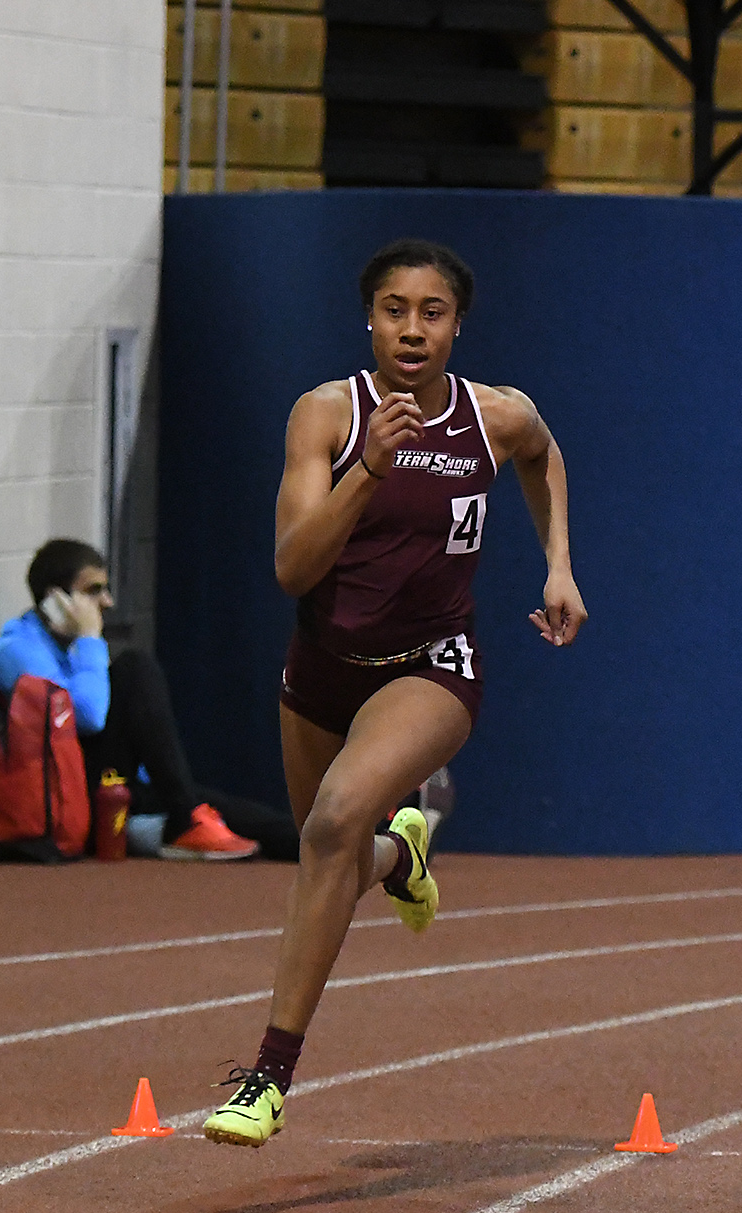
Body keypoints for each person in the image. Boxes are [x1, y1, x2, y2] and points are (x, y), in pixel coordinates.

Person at [203, 238, 586, 1147]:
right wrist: (367, 466)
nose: (412, 329)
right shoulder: (328, 416)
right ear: (368, 319)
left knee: (335, 819)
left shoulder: (495, 417)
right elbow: (294, 568)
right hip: (322, 668)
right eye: (394, 310)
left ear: (458, 323)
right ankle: (401, 852)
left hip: (432, 666)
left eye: (433, 312)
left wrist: (559, 565)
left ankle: (266, 1077)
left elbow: (544, 455)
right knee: (330, 854)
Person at [0, 539, 290, 860]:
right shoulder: (17, 651)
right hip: (56, 800)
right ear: (55, 600)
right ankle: (185, 818)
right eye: (93, 590)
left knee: (211, 804)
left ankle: (312, 845)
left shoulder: (66, 648)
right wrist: (89, 639)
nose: (108, 602)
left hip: (96, 784)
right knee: (133, 668)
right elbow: (88, 716)